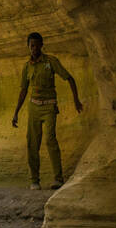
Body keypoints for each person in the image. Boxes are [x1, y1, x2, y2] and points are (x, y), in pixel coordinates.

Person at [11, 32, 83, 190]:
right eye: (31, 46)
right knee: (32, 143)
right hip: (33, 107)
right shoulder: (27, 67)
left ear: (42, 45)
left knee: (50, 139)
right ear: (28, 47)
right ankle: (34, 180)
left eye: (37, 45)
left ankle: (58, 179)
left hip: (50, 106)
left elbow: (69, 78)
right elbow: (23, 90)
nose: (34, 48)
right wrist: (16, 112)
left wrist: (76, 100)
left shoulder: (51, 62)